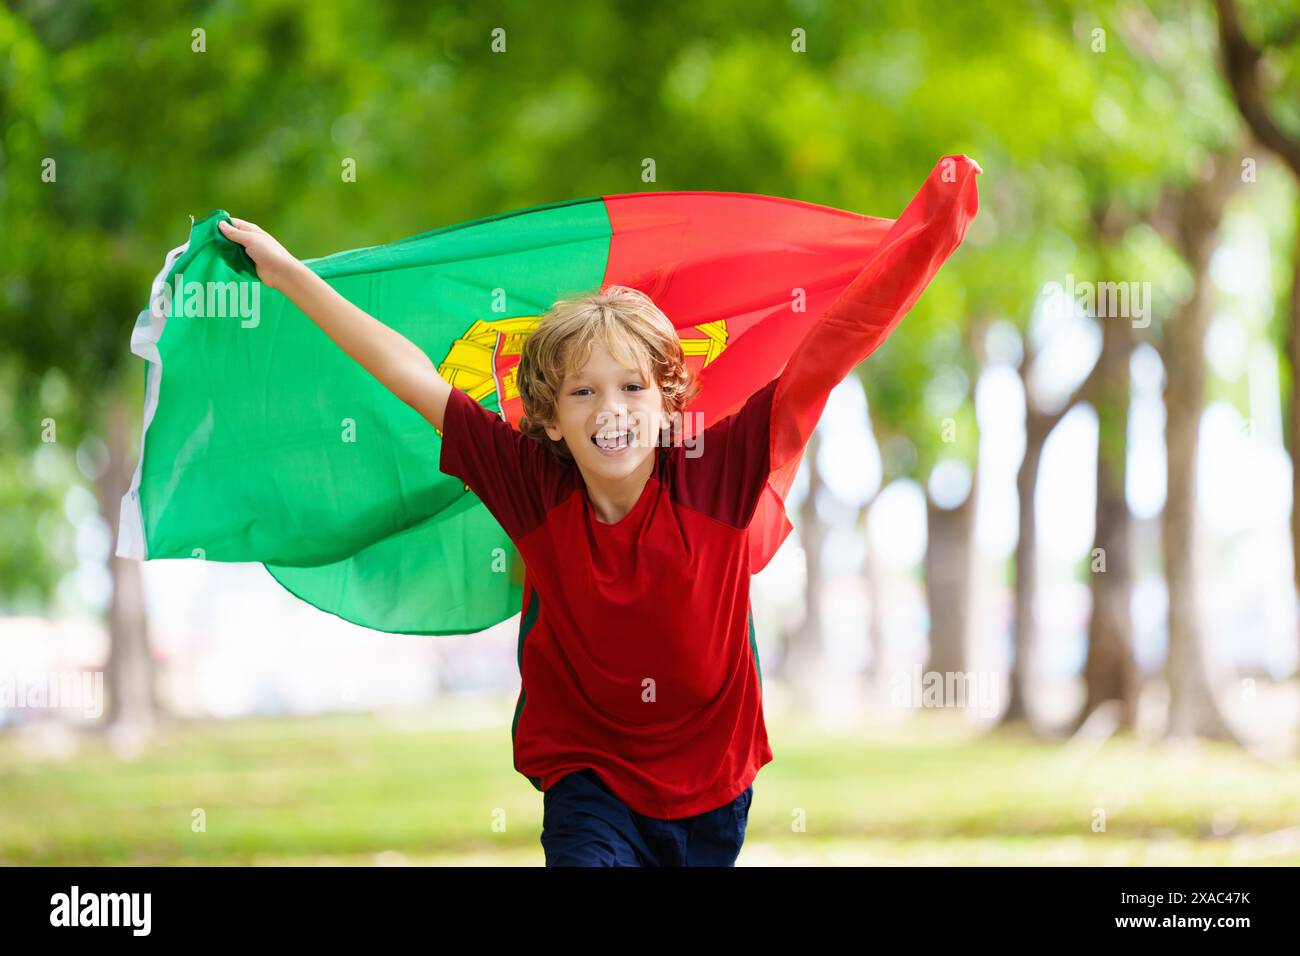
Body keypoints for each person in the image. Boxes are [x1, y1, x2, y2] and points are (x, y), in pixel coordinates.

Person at [215, 213, 864, 866]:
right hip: (590, 778)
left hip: (711, 786)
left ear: (668, 404)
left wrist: (925, 237)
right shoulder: (531, 486)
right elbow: (408, 373)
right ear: (550, 420)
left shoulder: (714, 472)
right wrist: (289, 273)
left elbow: (826, 355)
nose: (610, 409)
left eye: (632, 387)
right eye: (583, 392)